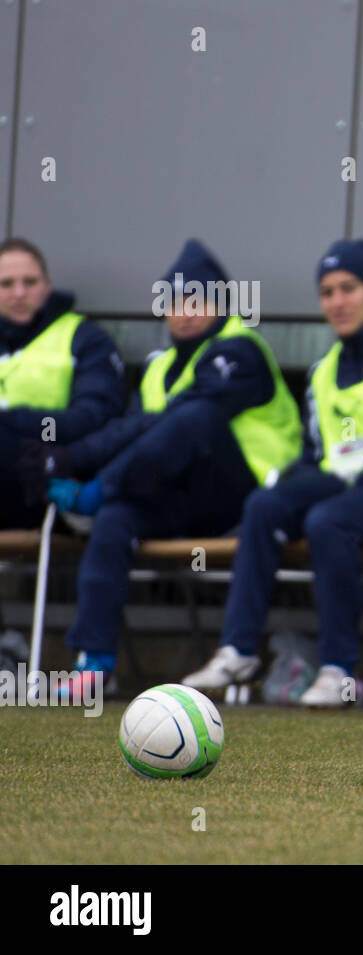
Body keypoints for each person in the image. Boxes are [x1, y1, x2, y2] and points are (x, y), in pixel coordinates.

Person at [182, 239, 363, 706]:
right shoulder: (324, 371)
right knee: (265, 505)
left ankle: (340, 670)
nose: (337, 302)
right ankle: (238, 650)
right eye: (326, 292)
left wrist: (342, 488)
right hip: (351, 488)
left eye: (349, 288)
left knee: (328, 520)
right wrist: (299, 484)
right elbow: (318, 454)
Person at [25, 239, 300, 694]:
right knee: (116, 518)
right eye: (176, 300)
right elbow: (138, 430)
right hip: (177, 496)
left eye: (199, 299)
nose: (186, 311)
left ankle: (98, 497)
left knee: (193, 418)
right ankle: (93, 664)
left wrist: (95, 484)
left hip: (244, 498)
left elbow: (181, 423)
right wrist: (75, 463)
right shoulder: (160, 368)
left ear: (222, 304)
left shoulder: (240, 350)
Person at [1, 237, 125, 530]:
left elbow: (95, 420)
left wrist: (10, 421)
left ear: (47, 284)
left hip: (49, 477)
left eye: (29, 282)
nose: (19, 293)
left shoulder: (85, 339)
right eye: (6, 284)